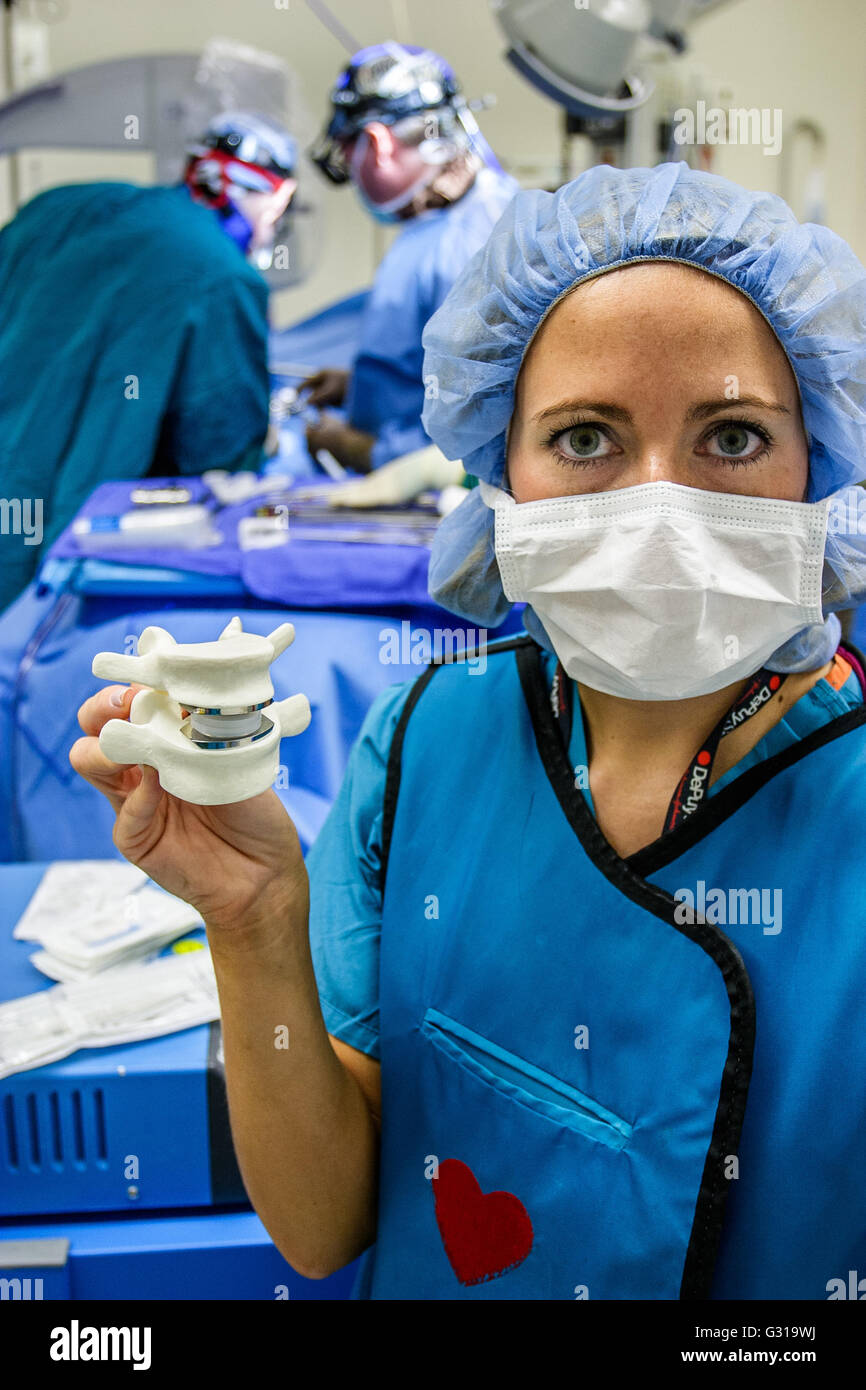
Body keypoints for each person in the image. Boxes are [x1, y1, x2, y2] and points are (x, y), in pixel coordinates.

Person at [71, 162, 866, 1300]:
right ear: (496, 469)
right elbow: (320, 1224)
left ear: (818, 469)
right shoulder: (426, 742)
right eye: (585, 437)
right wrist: (251, 920)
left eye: (730, 437)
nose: (655, 504)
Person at [0, 112, 297, 613]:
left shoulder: (61, 207)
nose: (270, 234)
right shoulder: (223, 276)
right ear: (274, 198)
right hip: (60, 538)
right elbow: (220, 460)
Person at [302, 41, 518, 477]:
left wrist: (358, 449)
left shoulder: (469, 242)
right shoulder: (443, 220)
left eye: (349, 149)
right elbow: (438, 369)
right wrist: (359, 389)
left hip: (435, 502)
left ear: (377, 145)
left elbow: (481, 422)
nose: (347, 163)